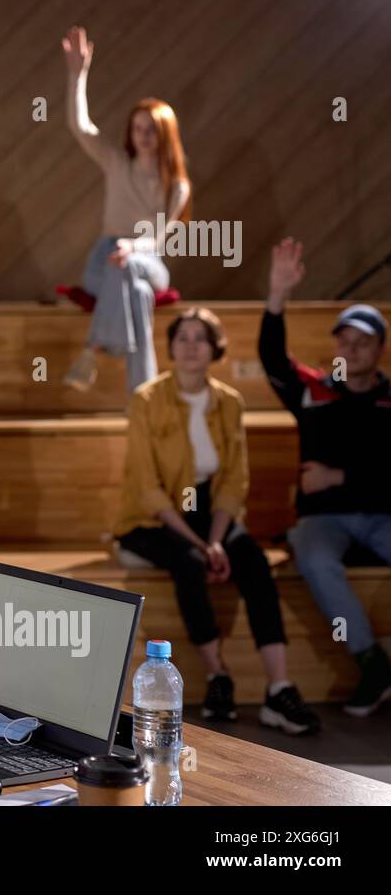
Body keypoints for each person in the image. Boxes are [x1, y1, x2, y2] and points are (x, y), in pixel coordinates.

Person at [115, 307, 319, 733]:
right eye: (182, 337)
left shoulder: (229, 401)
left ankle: (279, 688)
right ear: (170, 346)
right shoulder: (146, 399)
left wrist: (219, 539)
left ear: (214, 349)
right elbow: (147, 486)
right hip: (155, 517)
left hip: (212, 513)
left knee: (256, 564)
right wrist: (200, 542)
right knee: (189, 563)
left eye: (200, 338)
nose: (190, 346)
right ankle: (217, 675)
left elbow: (234, 479)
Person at [260, 237, 391, 717]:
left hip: (382, 516)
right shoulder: (315, 392)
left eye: (363, 341)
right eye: (344, 340)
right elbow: (273, 359)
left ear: (380, 347)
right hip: (324, 523)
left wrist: (338, 476)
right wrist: (277, 296)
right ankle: (372, 663)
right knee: (313, 557)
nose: (352, 349)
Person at [60, 26, 192, 393]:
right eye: (137, 129)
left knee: (131, 270)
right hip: (106, 259)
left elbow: (163, 238)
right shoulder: (116, 163)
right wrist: (77, 75)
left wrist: (133, 248)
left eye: (151, 129)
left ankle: (92, 349)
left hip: (148, 260)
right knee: (136, 295)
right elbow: (80, 126)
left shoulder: (176, 184)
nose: (143, 136)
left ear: (165, 133)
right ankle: (142, 393)